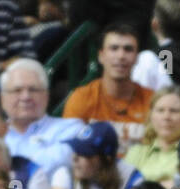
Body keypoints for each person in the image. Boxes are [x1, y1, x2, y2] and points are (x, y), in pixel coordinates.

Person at [62, 23, 155, 155]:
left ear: (136, 58)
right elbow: (71, 151)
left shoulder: (153, 101)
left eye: (128, 49)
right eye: (114, 48)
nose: (121, 56)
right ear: (101, 56)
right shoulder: (81, 98)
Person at [0, 58, 85, 176]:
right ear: (3, 98)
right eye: (17, 90)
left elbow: (58, 165)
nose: (25, 97)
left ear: (46, 95)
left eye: (33, 90)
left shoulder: (71, 129)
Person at [52, 121, 143, 189]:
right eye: (75, 150)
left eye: (84, 153)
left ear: (106, 159)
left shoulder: (131, 178)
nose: (75, 158)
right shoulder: (65, 174)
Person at [124, 85, 180, 188]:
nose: (166, 117)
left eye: (174, 111)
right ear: (151, 115)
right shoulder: (135, 152)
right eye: (160, 110)